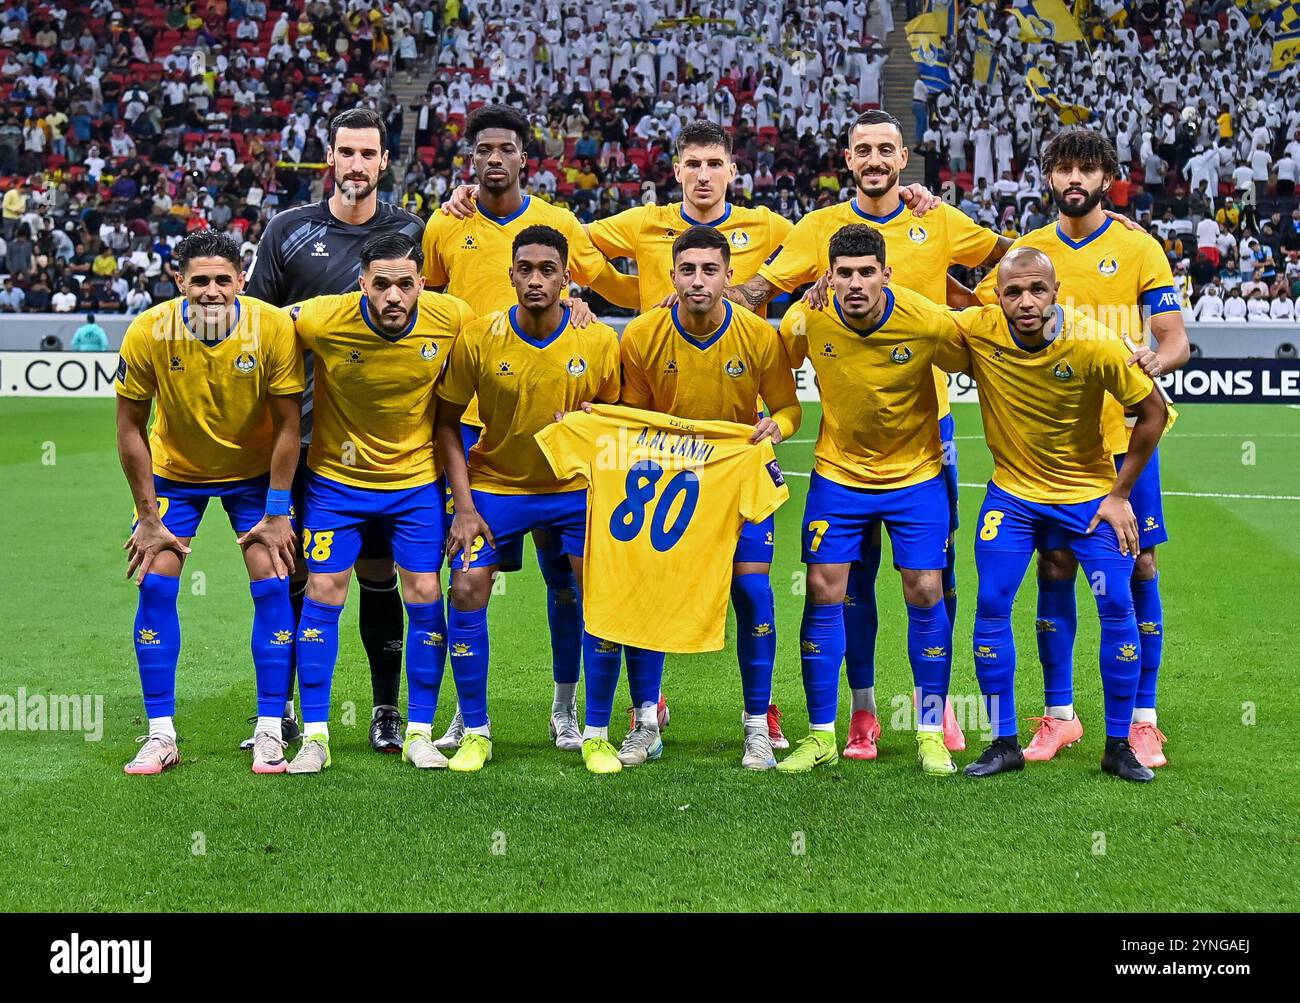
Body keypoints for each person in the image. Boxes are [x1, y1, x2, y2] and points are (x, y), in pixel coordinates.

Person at [740, 109, 1007, 759]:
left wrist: (980, 302)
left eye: (887, 149)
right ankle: (859, 715)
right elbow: (757, 293)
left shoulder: (937, 218)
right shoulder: (819, 229)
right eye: (864, 150)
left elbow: (1012, 258)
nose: (876, 160)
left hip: (928, 429)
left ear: (905, 155)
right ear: (848, 157)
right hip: (846, 437)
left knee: (935, 581)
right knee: (845, 583)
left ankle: (933, 714)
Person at [421, 103, 637, 753]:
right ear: (471, 159)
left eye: (505, 149)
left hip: (558, 436)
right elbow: (425, 298)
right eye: (481, 149)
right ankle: (467, 712)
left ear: (524, 158)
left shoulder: (559, 224)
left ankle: (567, 710)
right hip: (476, 433)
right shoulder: (443, 223)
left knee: (570, 584)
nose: (493, 159)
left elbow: (618, 290)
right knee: (461, 576)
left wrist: (679, 290)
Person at [970, 129, 1189, 769]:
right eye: (1063, 168)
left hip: (1121, 443)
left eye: (1086, 170)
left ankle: (1142, 720)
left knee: (1139, 569)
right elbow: (981, 313)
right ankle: (1059, 715)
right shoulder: (1029, 251)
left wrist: (1154, 359)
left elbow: (1175, 338)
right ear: (1048, 178)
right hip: (1050, 444)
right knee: (1055, 568)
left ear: (1105, 178)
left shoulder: (1137, 246)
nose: (1074, 179)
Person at [947, 248, 1169, 783]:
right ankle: (1003, 743)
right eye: (1012, 292)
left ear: (1055, 291)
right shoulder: (978, 330)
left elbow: (1154, 411)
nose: (1025, 302)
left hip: (1088, 499)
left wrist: (1118, 495)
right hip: (1013, 498)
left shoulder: (1094, 341)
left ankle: (1119, 744)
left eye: (1037, 290)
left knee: (1117, 604)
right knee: (993, 604)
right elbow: (910, 310)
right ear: (995, 296)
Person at [244, 107, 426, 755]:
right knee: (291, 576)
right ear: (332, 159)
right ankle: (283, 710)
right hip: (299, 444)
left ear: (384, 162)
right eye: (344, 152)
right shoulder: (289, 231)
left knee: (382, 577)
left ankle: (384, 709)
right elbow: (257, 328)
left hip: (383, 449)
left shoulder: (410, 232)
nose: (355, 164)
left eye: (367, 154)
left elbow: (435, 318)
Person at [114, 230, 304, 775]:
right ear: (180, 282)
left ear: (241, 280)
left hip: (253, 477)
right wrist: (147, 517)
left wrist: (277, 509)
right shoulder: (150, 330)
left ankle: (270, 730)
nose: (212, 291)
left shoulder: (270, 327)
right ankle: (160, 735)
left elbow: (290, 423)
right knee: (154, 582)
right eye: (200, 280)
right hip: (175, 476)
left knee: (272, 583)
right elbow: (130, 427)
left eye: (224, 279)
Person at [777, 224, 965, 776]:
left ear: (887, 272)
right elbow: (782, 358)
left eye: (866, 272)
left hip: (917, 475)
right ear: (828, 276)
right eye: (844, 274)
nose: (855, 284)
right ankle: (820, 735)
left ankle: (929, 729)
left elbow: (980, 358)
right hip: (838, 475)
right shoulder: (809, 316)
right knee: (822, 587)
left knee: (927, 587)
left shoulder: (927, 319)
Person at [434, 225, 621, 771]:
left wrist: (592, 424)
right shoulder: (479, 336)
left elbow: (619, 418)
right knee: (466, 588)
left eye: (548, 270)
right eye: (526, 269)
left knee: (596, 601)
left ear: (568, 278)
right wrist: (463, 506)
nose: (535, 279)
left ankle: (590, 726)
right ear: (510, 273)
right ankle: (475, 729)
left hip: (575, 491)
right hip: (497, 488)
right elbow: (446, 422)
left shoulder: (599, 340)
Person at [285, 232, 474, 774]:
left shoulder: (452, 316)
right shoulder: (322, 317)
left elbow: (505, 331)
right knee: (322, 590)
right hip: (335, 484)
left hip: (414, 485)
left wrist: (578, 304)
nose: (395, 296)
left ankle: (418, 731)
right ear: (362, 284)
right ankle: (316, 736)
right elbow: (258, 320)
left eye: (406, 284)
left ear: (421, 284)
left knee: (423, 592)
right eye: (382, 284)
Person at [615, 225, 800, 773]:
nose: (699, 281)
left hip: (736, 479)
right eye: (688, 270)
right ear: (672, 275)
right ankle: (646, 719)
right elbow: (634, 418)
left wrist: (776, 428)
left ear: (728, 275)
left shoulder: (758, 336)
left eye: (710, 270)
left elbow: (790, 408)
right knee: (647, 595)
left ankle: (756, 725)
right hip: (668, 482)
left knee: (753, 592)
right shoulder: (642, 335)